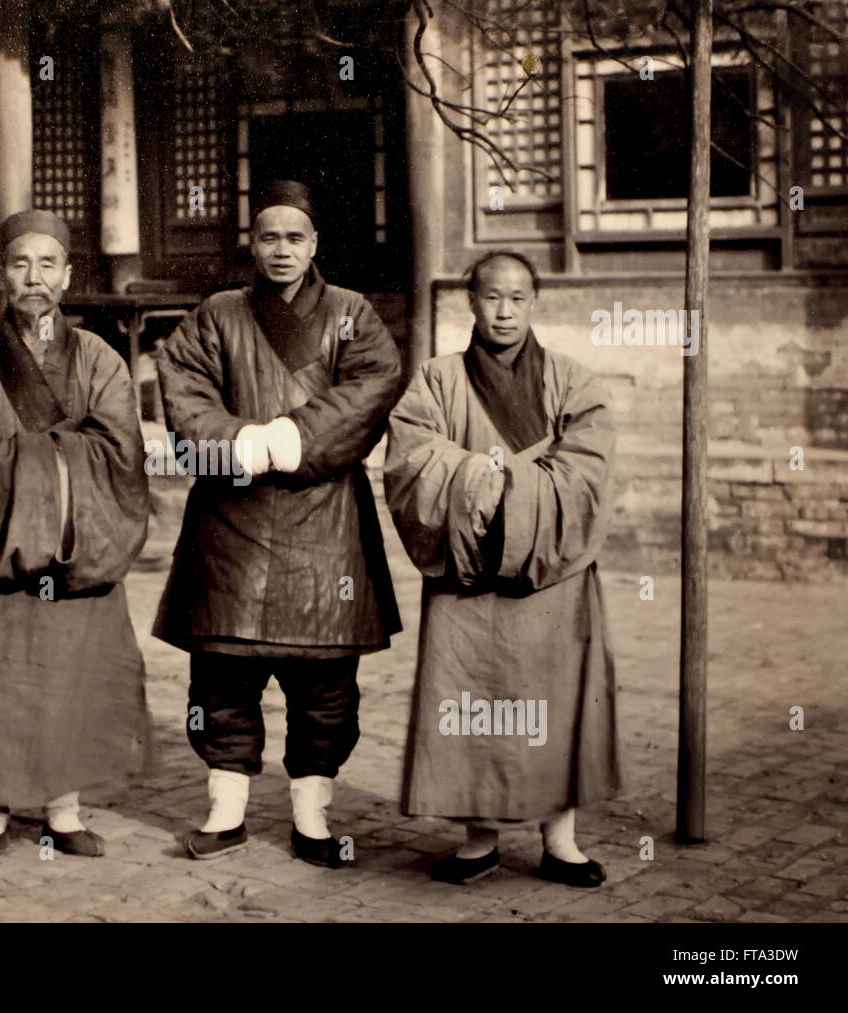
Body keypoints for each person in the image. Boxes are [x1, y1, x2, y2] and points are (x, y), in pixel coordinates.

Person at [152, 180, 403, 867]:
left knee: (324, 685)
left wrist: (290, 438)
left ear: (315, 244)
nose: (282, 250)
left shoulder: (351, 313)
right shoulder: (217, 314)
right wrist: (239, 443)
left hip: (326, 525)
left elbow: (375, 383)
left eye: (295, 237)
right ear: (252, 244)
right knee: (223, 677)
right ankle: (225, 811)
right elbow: (183, 387)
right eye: (269, 237)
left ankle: (312, 815)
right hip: (230, 522)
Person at [0, 209, 151, 862]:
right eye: (20, 263)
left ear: (68, 274)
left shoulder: (99, 356)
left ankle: (63, 808)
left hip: (75, 550)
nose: (34, 277)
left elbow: (120, 448)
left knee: (71, 673)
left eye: (48, 263)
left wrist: (27, 463)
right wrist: (47, 467)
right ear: (1, 273)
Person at [383, 250, 620, 888]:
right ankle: (478, 838)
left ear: (535, 302)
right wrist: (472, 481)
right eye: (492, 297)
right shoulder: (436, 379)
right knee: (471, 700)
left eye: (518, 297)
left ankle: (561, 839)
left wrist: (506, 488)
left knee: (554, 700)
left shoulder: (572, 380)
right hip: (469, 578)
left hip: (551, 577)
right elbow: (410, 458)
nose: (505, 310)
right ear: (472, 301)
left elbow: (589, 471)